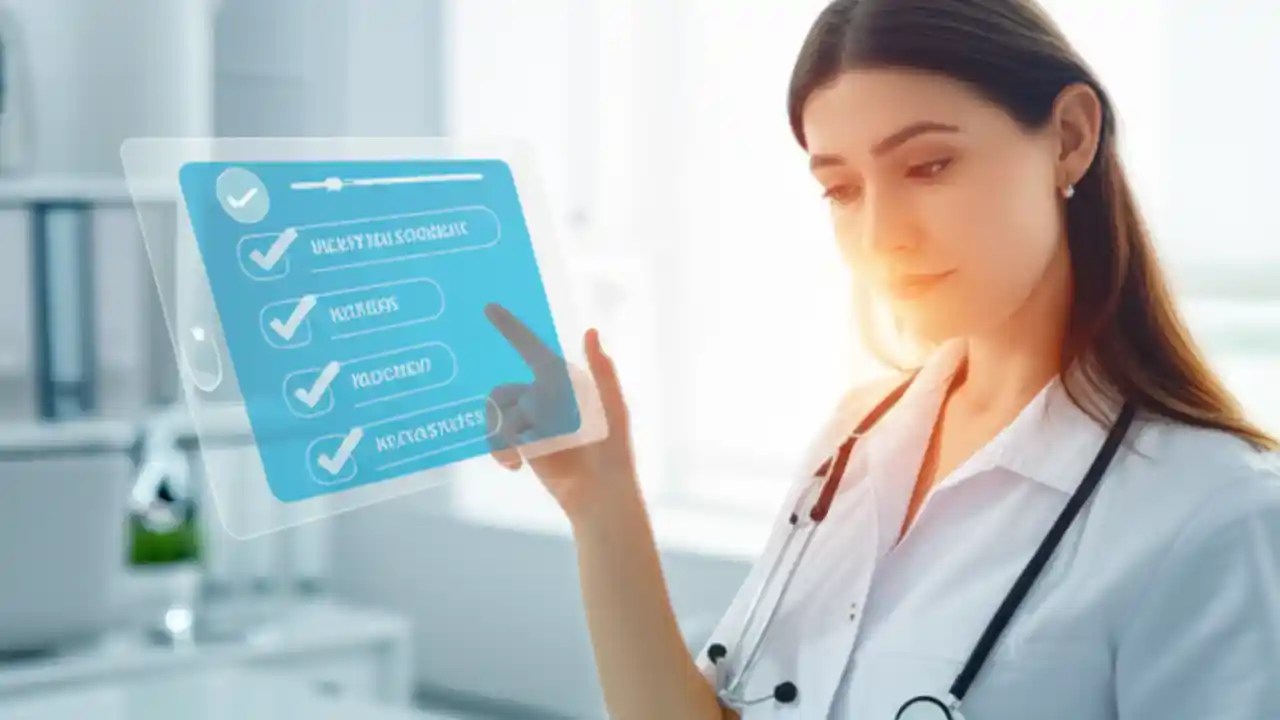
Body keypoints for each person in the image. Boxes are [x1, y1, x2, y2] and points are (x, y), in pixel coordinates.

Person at [481, 0, 1280, 717]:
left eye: (928, 166)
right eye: (841, 189)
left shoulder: (1214, 515)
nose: (880, 234)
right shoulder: (856, 434)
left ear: (1069, 139)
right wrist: (603, 503)